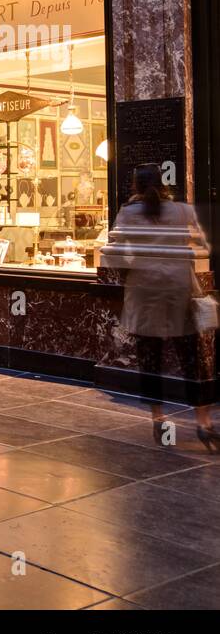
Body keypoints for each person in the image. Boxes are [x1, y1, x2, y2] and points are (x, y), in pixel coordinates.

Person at [107, 163, 216, 451]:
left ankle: (159, 419)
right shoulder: (182, 210)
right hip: (179, 292)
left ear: (135, 186)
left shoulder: (128, 213)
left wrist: (133, 268)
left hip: (145, 295)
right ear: (164, 183)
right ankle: (203, 422)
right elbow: (201, 246)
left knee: (150, 360)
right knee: (191, 359)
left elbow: (115, 255)